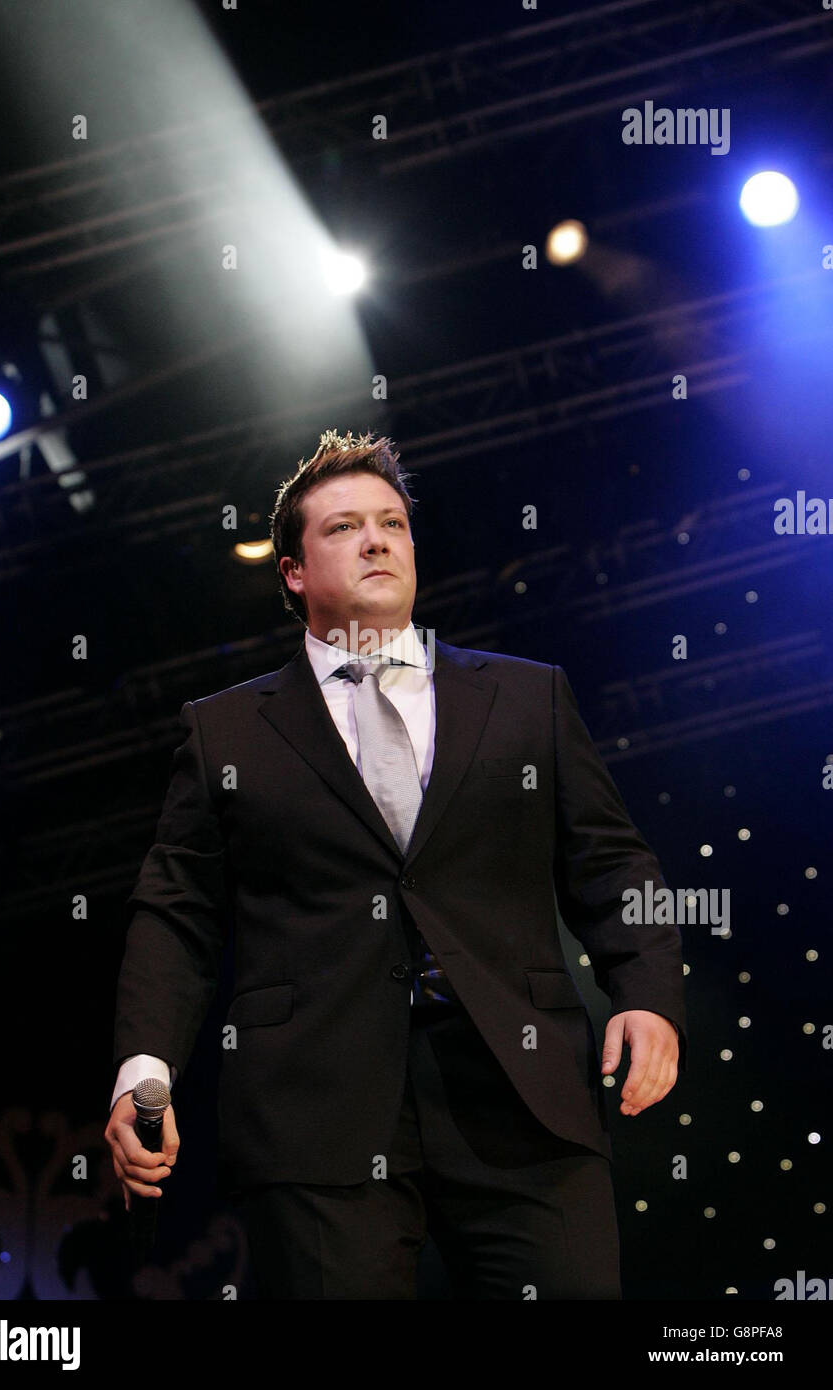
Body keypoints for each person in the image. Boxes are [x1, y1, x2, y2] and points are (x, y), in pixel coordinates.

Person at [104, 428, 687, 1299]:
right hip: (315, 1113)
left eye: (393, 523)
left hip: (523, 1098)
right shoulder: (224, 730)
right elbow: (176, 913)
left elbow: (611, 864)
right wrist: (144, 1073)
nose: (377, 539)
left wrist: (646, 993)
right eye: (342, 528)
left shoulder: (529, 698)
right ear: (293, 573)